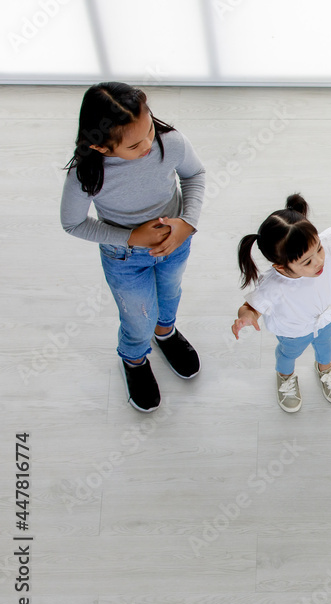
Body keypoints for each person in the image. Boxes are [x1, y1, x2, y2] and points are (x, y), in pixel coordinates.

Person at [61, 82, 206, 412]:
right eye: (135, 144)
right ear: (100, 147)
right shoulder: (85, 175)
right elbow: (73, 223)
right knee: (138, 317)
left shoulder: (170, 142)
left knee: (170, 294)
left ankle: (165, 333)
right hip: (124, 258)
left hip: (175, 244)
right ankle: (134, 358)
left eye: (150, 129)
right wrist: (130, 238)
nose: (149, 144)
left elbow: (195, 174)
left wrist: (187, 222)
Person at [233, 194, 331, 413]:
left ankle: (325, 369)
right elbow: (252, 307)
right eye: (307, 261)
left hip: (326, 319)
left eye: (319, 250)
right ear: (281, 267)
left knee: (325, 347)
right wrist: (246, 316)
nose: (319, 261)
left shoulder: (316, 249)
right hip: (292, 332)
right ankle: (285, 377)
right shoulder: (273, 285)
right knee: (288, 355)